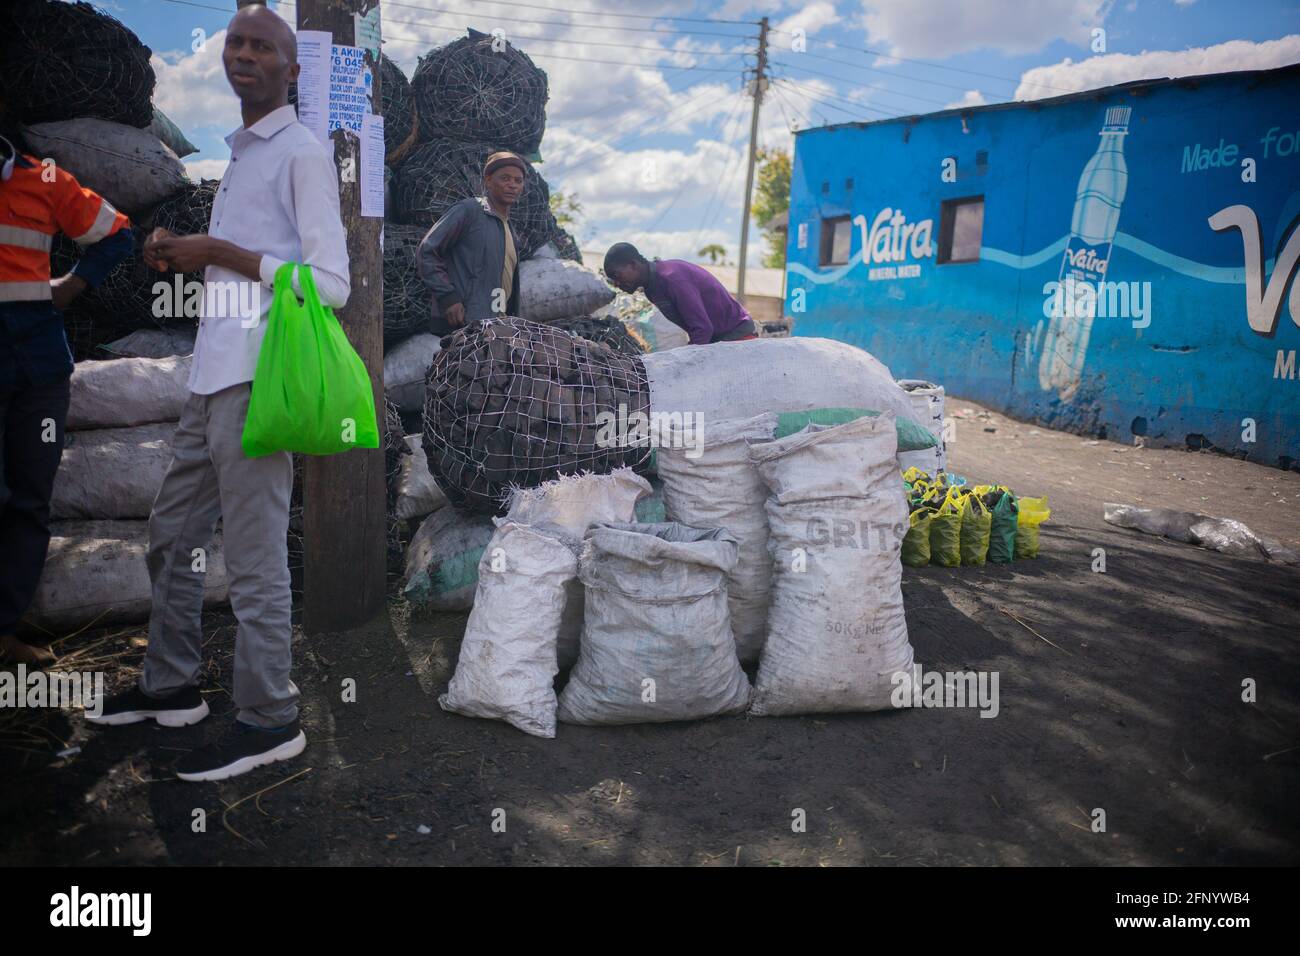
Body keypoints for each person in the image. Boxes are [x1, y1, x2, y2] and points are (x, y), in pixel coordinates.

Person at [88, 3, 349, 784]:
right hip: (209, 377)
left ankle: (271, 717)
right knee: (171, 533)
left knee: (256, 553)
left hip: (256, 381)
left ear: (290, 68)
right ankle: (170, 687)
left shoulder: (300, 152)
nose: (243, 53)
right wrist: (184, 255)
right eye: (235, 42)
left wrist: (222, 252)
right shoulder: (242, 154)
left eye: (261, 45)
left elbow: (330, 285)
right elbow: (245, 269)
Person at [0, 126, 133, 666]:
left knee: (28, 501)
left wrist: (72, 285)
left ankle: (4, 631)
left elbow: (117, 232)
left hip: (36, 369)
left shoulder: (43, 178)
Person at [417, 151, 525, 334]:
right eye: (505, 178)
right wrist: (448, 298)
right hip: (464, 323)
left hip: (496, 326)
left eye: (518, 180)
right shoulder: (469, 211)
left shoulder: (509, 229)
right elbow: (427, 251)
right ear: (488, 180)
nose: (512, 185)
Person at [603, 242, 758, 344]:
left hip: (737, 336)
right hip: (716, 340)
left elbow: (703, 329)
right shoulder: (651, 288)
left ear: (633, 265)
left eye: (617, 276)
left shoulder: (672, 279)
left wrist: (685, 361)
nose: (617, 284)